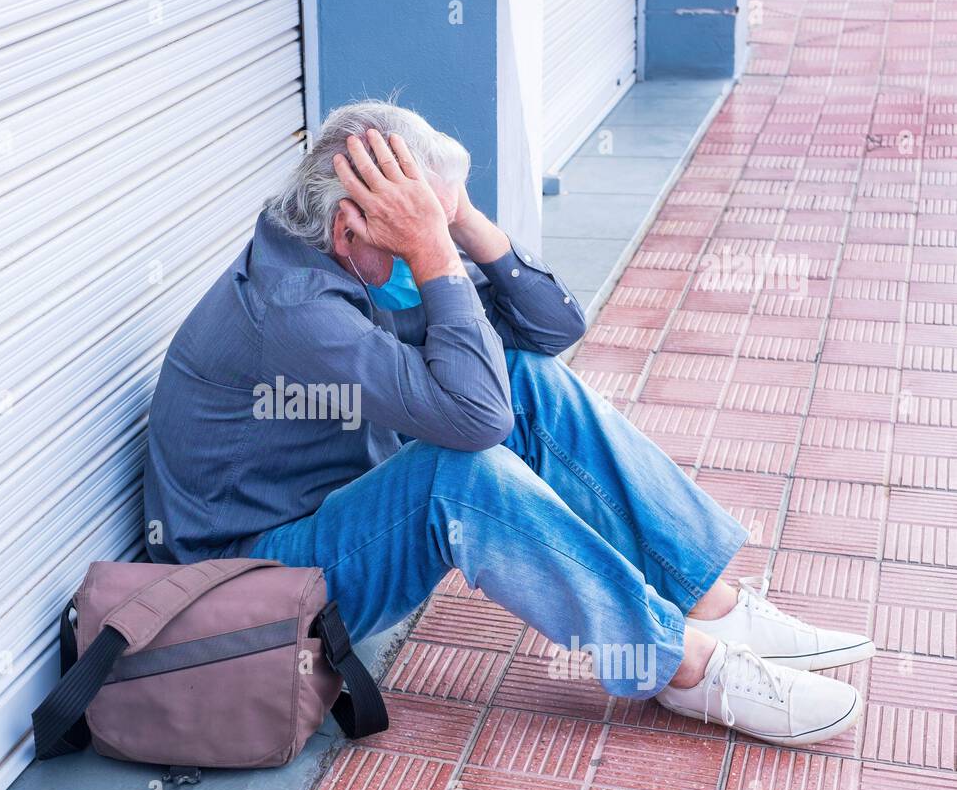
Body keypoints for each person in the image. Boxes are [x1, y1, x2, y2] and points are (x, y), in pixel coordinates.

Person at [143, 100, 873, 746]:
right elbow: (476, 421)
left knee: (529, 379)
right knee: (457, 474)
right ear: (346, 227)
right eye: (410, 234)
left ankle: (709, 603)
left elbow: (554, 330)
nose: (430, 251)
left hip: (332, 517)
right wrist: (431, 254)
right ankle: (681, 665)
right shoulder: (297, 308)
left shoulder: (361, 255)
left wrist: (455, 220)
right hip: (256, 582)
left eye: (434, 225)